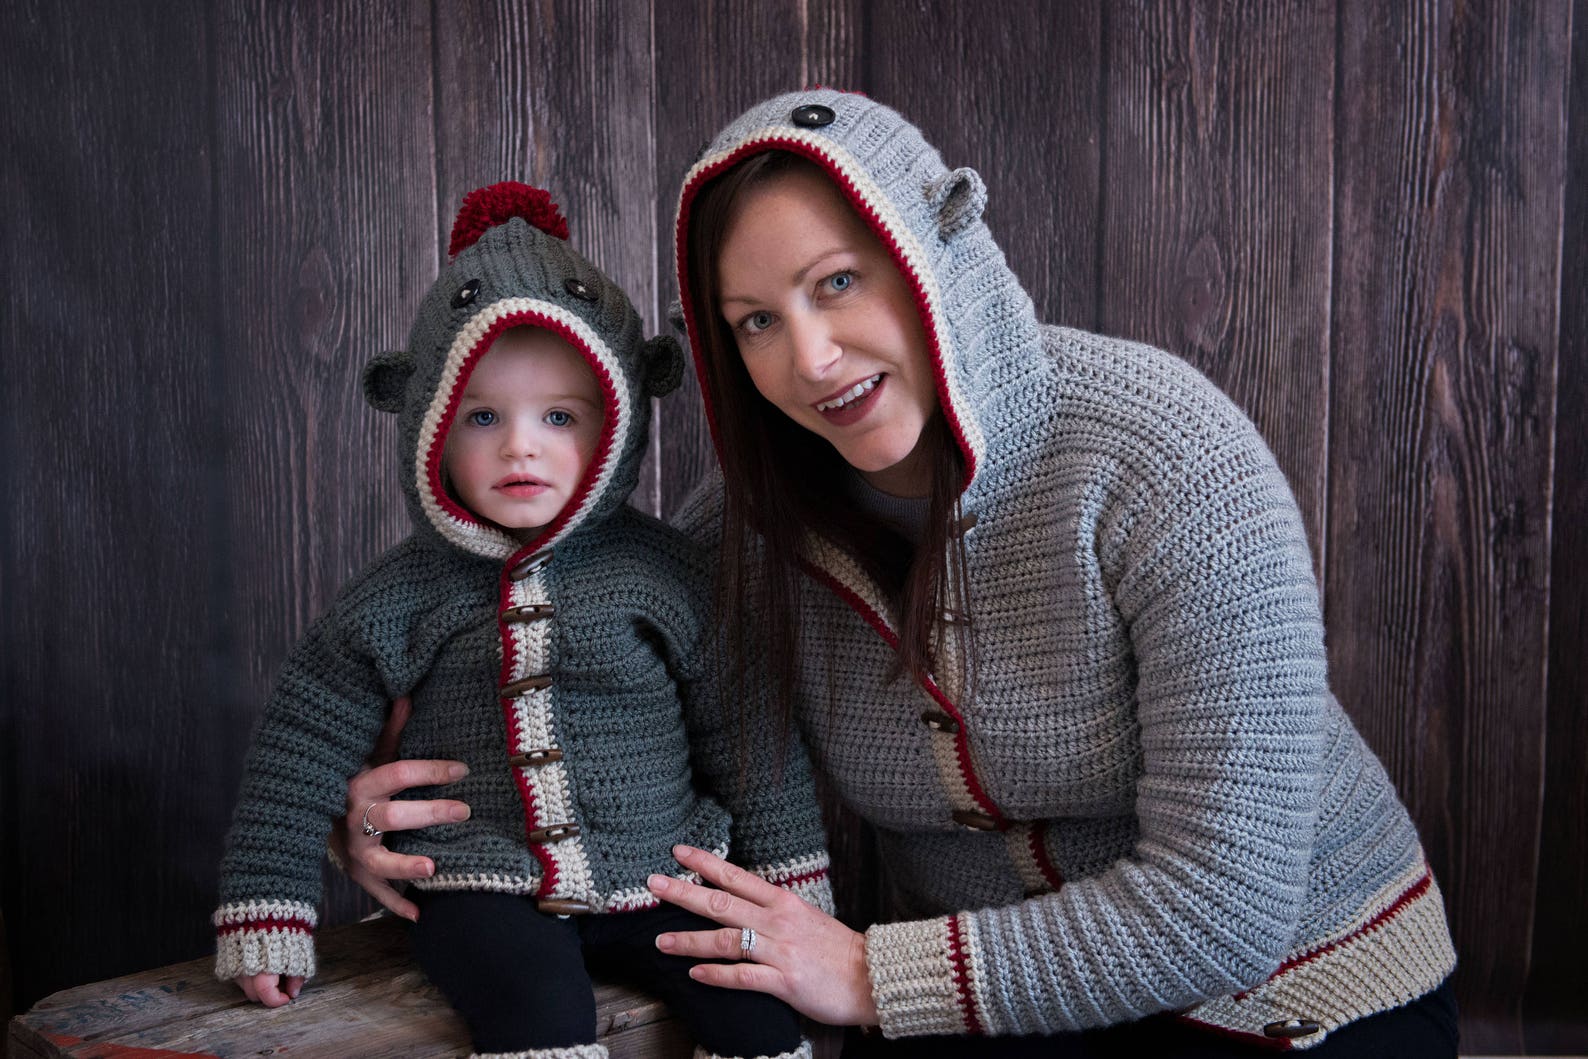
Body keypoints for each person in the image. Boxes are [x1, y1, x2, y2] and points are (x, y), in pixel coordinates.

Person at [335, 94, 1461, 1057]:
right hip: (988, 1016)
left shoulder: (1166, 459)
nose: (809, 359)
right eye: (756, 323)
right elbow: (627, 759)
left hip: (1296, 1000)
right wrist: (428, 818)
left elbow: (1228, 907)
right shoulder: (732, 538)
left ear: (941, 252)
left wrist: (874, 978)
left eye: (838, 284)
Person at [213, 181, 829, 1059]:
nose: (520, 446)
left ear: (620, 417)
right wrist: (269, 904)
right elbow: (301, 743)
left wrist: (793, 888)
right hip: (478, 880)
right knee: (534, 1009)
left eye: (559, 417)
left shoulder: (665, 575)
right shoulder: (402, 595)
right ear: (424, 422)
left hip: (662, 875)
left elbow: (748, 730)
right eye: (483, 416)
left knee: (753, 1011)